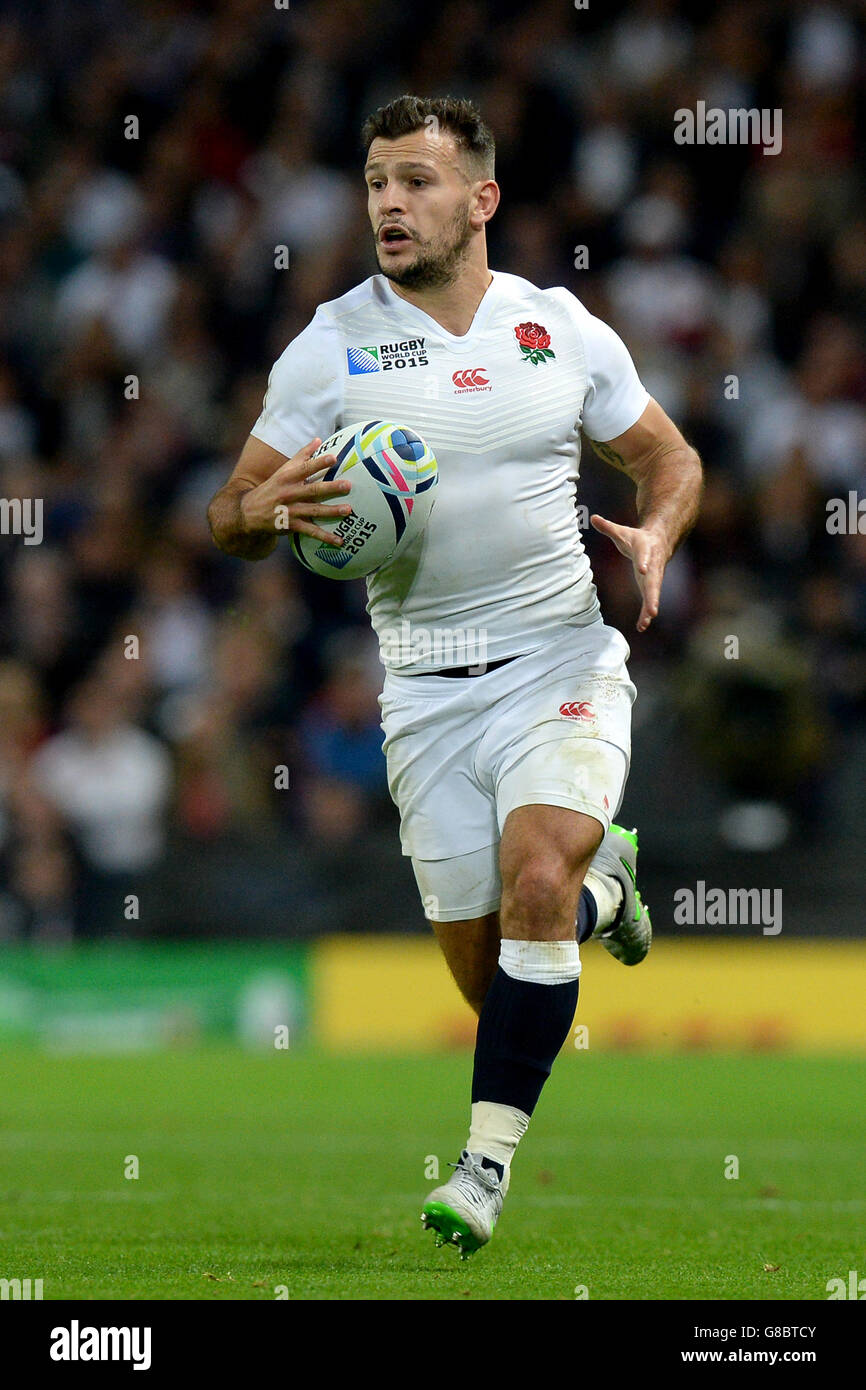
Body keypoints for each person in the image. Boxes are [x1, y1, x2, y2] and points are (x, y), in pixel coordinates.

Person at [208, 95, 703, 1258]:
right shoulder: (328, 346)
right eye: (377, 179)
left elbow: (666, 454)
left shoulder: (559, 329)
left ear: (479, 200)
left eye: (416, 181)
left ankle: (480, 1168)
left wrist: (656, 533)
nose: (389, 201)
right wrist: (255, 512)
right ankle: (608, 897)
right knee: (496, 982)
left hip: (558, 657)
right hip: (425, 688)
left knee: (534, 874)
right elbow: (229, 509)